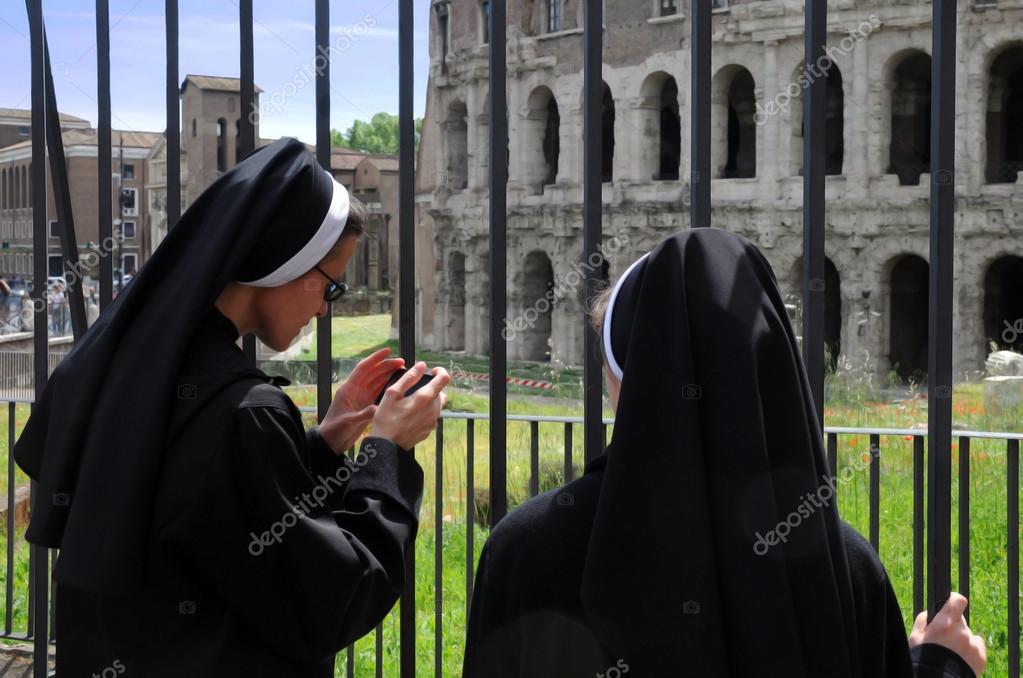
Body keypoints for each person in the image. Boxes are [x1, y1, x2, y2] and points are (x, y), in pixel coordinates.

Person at [462, 228, 986, 678]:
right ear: (773, 365)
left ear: (621, 378)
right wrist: (940, 668)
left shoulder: (525, 549)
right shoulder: (842, 566)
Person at [14, 138, 450, 677]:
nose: (324, 309)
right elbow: (334, 599)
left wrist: (325, 443)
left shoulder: (139, 368)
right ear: (284, 261)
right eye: (330, 286)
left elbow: (210, 509)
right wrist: (388, 454)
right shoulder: (241, 411)